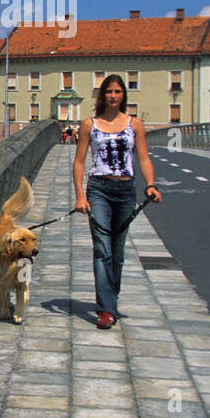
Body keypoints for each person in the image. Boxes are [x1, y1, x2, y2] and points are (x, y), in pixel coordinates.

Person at [73, 75, 162, 328]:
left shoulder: (135, 124)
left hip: (125, 190)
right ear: (103, 95)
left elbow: (143, 158)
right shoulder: (89, 124)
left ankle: (110, 297)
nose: (113, 96)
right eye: (109, 91)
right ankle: (106, 310)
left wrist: (151, 185)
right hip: (99, 188)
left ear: (124, 95)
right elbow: (79, 162)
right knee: (102, 250)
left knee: (118, 252)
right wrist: (80, 195)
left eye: (117, 91)